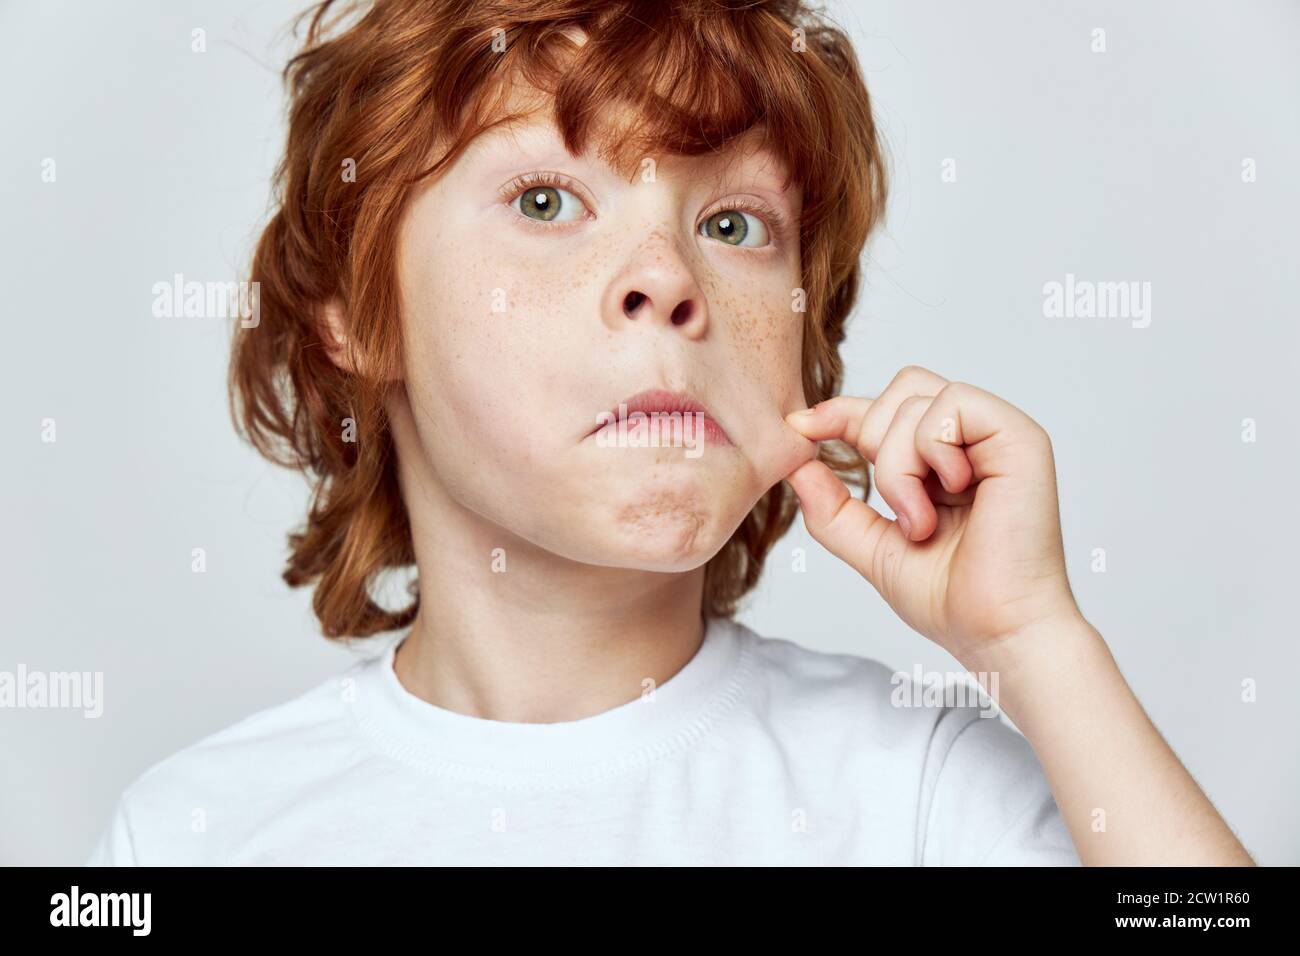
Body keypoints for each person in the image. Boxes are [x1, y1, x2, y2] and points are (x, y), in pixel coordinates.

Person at [87, 0, 1253, 866]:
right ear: (354, 310)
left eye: (733, 223)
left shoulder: (916, 792)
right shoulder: (191, 834)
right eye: (546, 202)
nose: (666, 275)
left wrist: (1036, 642)